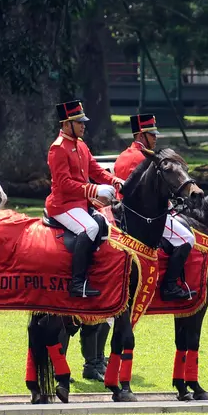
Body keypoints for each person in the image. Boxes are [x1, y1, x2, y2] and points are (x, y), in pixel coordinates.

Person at [45, 100, 124, 298]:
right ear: (66, 124)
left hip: (79, 203)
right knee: (90, 227)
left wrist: (116, 181)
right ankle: (77, 283)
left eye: (82, 122)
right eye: (78, 122)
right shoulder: (58, 148)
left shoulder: (80, 145)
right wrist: (94, 190)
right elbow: (64, 184)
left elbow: (96, 171)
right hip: (62, 205)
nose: (83, 125)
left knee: (104, 222)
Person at [114, 113, 194, 301]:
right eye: (152, 134)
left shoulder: (124, 155)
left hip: (122, 211)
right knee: (187, 239)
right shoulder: (145, 158)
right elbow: (149, 193)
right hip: (142, 216)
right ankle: (170, 286)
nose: (156, 138)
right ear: (141, 135)